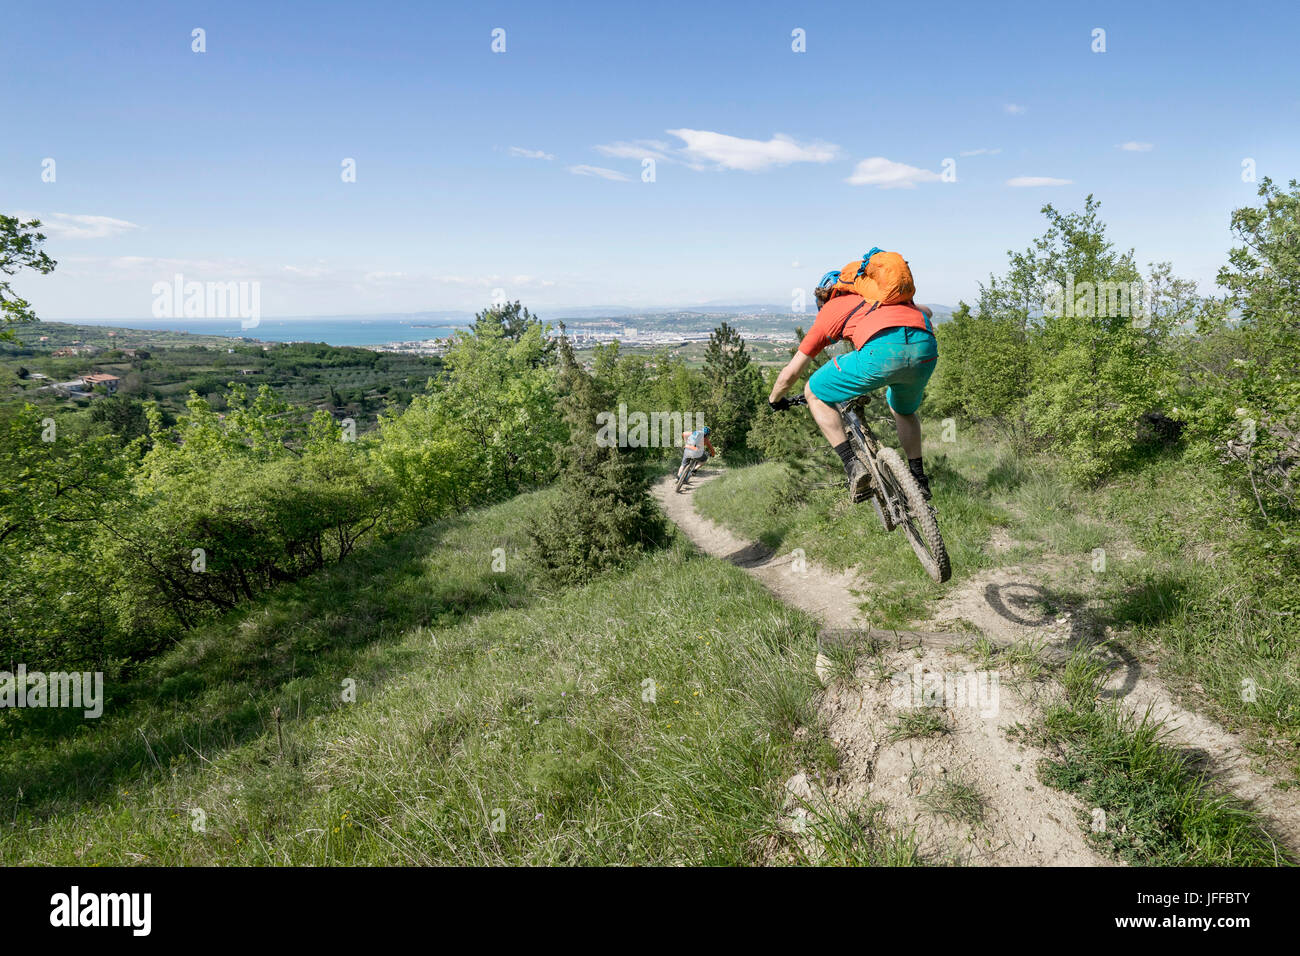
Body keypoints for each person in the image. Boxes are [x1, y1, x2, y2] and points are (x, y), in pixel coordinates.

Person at [768, 260, 938, 501]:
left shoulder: (832, 309)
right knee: (903, 410)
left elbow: (790, 374)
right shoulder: (880, 296)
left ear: (825, 296)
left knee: (814, 391)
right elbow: (928, 312)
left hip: (880, 354)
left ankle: (853, 466)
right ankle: (919, 479)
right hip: (926, 350)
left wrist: (775, 400)